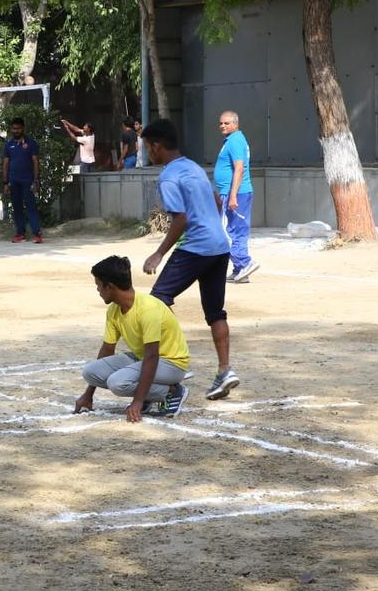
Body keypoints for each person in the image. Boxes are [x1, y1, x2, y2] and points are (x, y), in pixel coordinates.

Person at [140, 118, 239, 401]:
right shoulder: (194, 167)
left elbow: (180, 218)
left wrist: (159, 253)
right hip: (220, 246)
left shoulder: (169, 176)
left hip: (196, 247)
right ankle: (225, 370)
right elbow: (218, 201)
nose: (149, 153)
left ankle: (174, 363)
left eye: (148, 148)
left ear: (157, 146)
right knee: (215, 312)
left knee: (157, 301)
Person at [74, 255, 190, 422]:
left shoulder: (148, 309)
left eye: (99, 285)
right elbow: (107, 349)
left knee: (118, 383)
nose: (98, 290)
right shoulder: (114, 309)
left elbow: (152, 356)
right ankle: (151, 393)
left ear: (110, 287)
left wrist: (137, 401)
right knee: (91, 372)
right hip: (143, 358)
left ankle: (171, 391)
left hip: (171, 363)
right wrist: (88, 394)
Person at [215, 111, 259, 283]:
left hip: (235, 193)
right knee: (237, 230)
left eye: (226, 123)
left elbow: (239, 169)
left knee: (224, 232)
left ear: (235, 123)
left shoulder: (234, 141)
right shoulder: (234, 140)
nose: (223, 126)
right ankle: (240, 270)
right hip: (236, 192)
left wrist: (232, 195)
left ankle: (245, 262)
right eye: (221, 123)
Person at [3, 117, 41, 243]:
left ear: (23, 128)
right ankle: (20, 234)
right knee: (17, 207)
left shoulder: (31, 143)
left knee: (31, 206)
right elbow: (6, 163)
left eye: (18, 128)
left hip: (28, 180)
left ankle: (37, 234)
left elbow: (35, 161)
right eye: (14, 128)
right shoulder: (8, 144)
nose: (16, 130)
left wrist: (36, 180)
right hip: (13, 181)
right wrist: (5, 182)